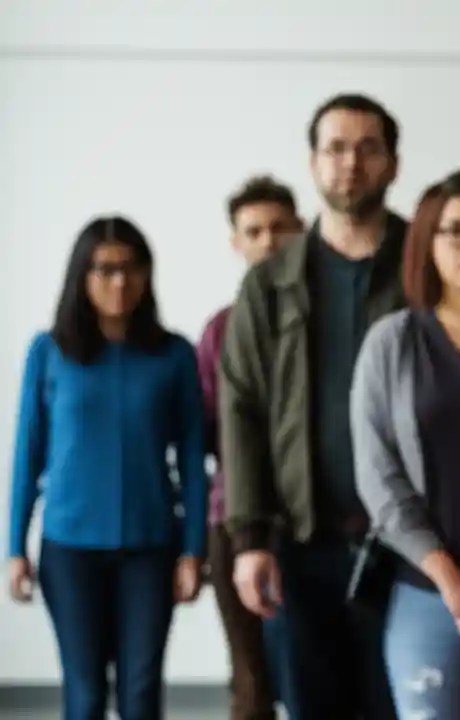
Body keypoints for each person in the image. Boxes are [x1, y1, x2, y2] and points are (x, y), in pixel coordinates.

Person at [220, 93, 406, 720]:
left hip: (409, 548)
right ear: (313, 162)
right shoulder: (269, 281)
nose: (350, 163)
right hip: (301, 545)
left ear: (393, 163)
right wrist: (249, 537)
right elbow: (241, 409)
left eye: (367, 147)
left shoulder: (423, 263)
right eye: (335, 148)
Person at [7, 216, 206, 720]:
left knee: (140, 693)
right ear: (82, 275)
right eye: (106, 269)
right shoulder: (49, 352)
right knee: (86, 692)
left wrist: (193, 550)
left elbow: (192, 456)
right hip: (70, 549)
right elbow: (27, 456)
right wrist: (14, 548)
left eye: (133, 268)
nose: (121, 282)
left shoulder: (173, 355)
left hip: (150, 547)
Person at [351, 169, 460, 720]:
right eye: (453, 232)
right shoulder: (394, 341)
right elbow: (378, 474)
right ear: (427, 243)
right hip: (428, 588)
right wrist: (449, 580)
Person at [196, 176, 302, 720]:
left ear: (301, 232)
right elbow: (209, 430)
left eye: (279, 228)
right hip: (232, 519)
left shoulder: (317, 316)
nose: (267, 241)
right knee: (251, 679)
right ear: (235, 241)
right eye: (253, 231)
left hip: (311, 520)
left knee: (314, 673)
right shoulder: (220, 329)